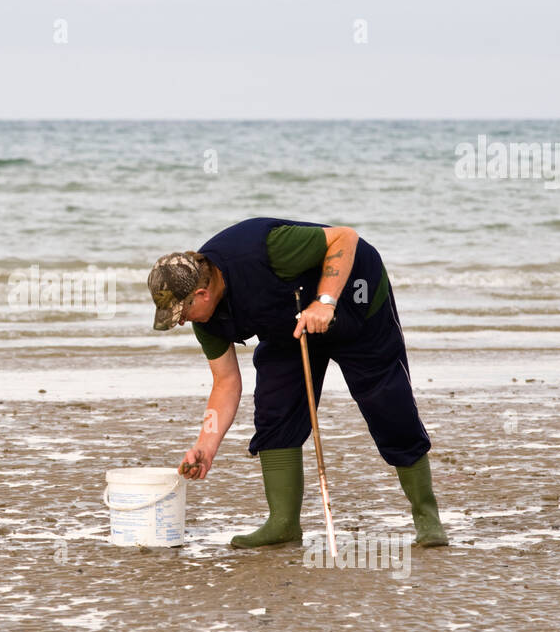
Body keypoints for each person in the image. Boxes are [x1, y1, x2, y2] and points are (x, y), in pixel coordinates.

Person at [147, 217, 448, 548]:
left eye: (180, 314)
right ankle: (283, 524)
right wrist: (206, 445)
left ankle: (427, 517)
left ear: (200, 294)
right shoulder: (206, 320)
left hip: (354, 298)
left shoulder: (266, 249)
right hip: (290, 323)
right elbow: (226, 382)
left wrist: (325, 302)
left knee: (387, 404)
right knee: (275, 410)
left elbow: (344, 238)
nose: (180, 323)